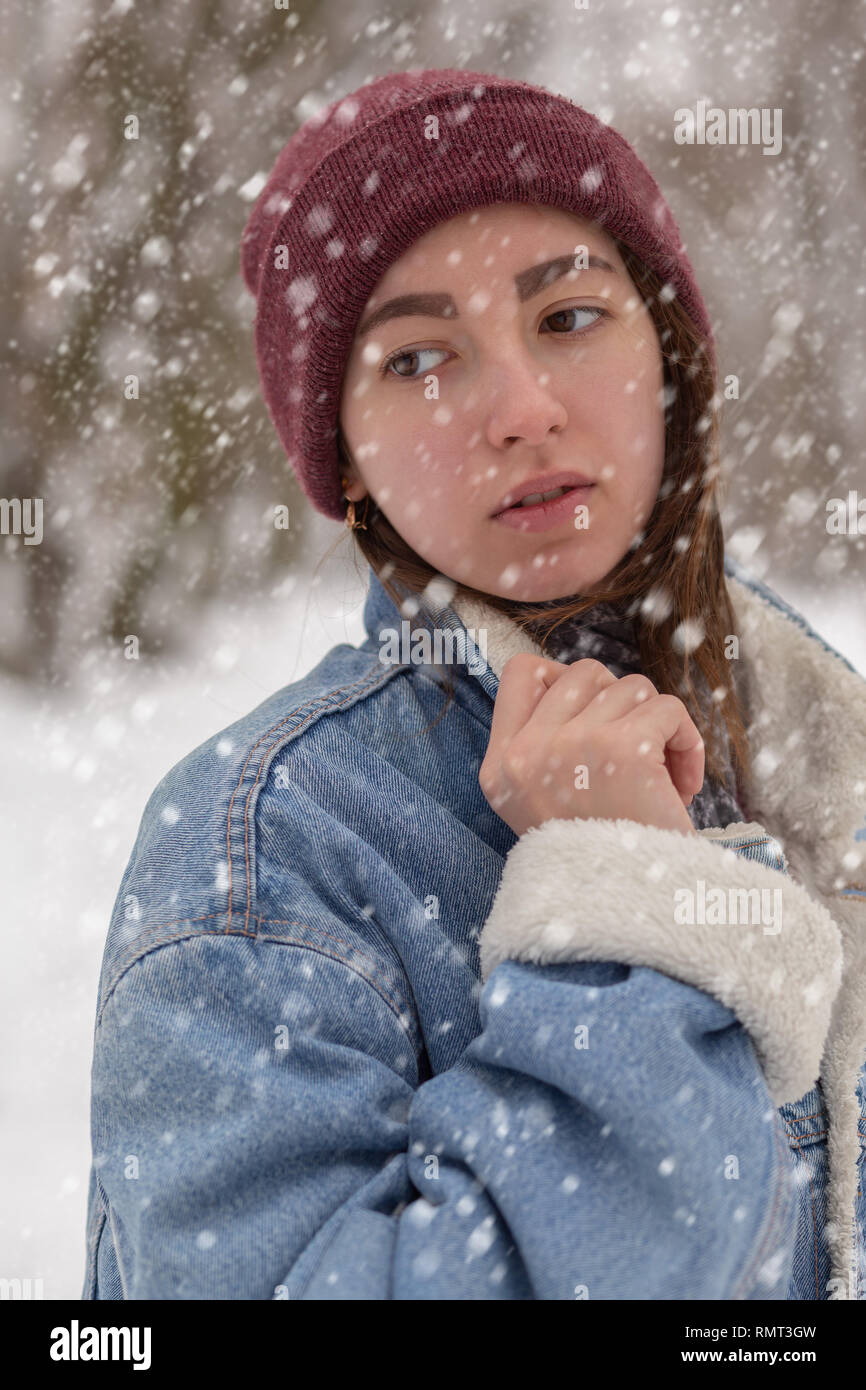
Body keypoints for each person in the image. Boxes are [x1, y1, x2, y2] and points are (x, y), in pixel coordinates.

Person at [80, 68, 866, 1301]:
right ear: (343, 464)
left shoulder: (821, 744)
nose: (519, 408)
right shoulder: (268, 847)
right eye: (418, 359)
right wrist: (621, 902)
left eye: (564, 318)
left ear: (665, 354)